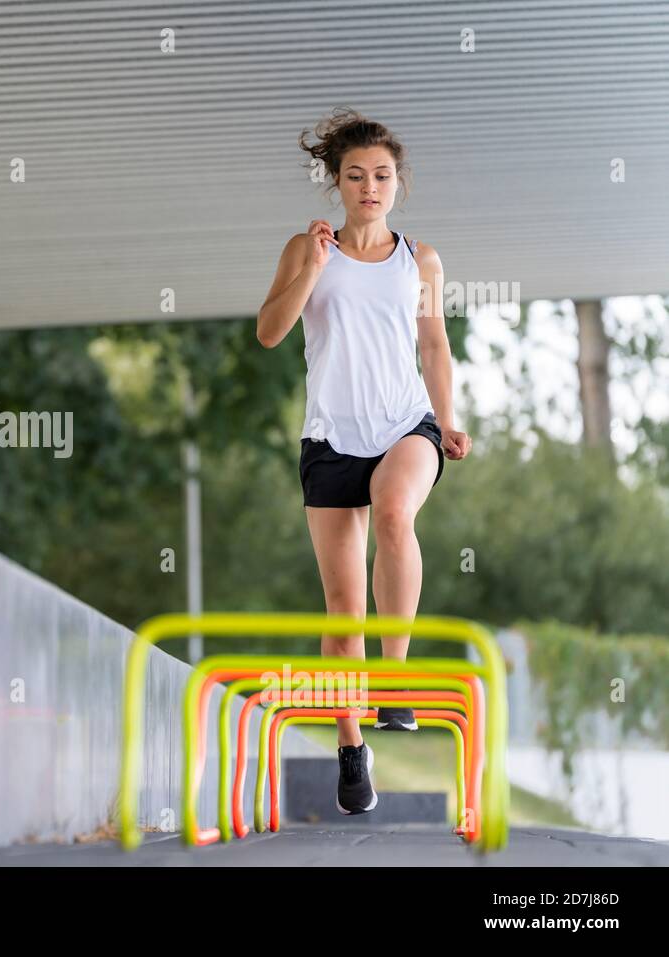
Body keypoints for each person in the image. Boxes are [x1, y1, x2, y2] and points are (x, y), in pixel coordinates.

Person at [256, 108, 472, 815]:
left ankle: (396, 681)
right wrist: (313, 267)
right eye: (355, 176)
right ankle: (352, 745)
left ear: (397, 183)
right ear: (337, 183)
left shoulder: (423, 260)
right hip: (329, 438)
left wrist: (447, 417)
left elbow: (434, 343)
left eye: (381, 175)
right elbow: (269, 332)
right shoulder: (306, 246)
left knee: (393, 509)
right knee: (344, 607)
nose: (369, 186)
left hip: (404, 424)